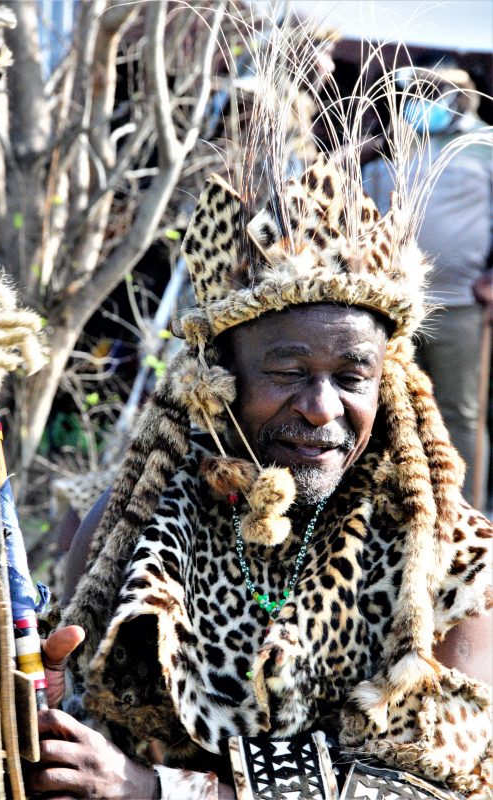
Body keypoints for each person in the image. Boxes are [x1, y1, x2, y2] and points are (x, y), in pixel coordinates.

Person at [26, 39, 492, 800]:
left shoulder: (450, 562)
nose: (320, 408)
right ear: (215, 379)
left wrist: (162, 791)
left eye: (351, 377)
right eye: (286, 373)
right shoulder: (127, 529)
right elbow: (84, 757)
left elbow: (431, 790)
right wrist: (46, 713)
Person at [363, 60, 493, 510]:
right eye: (415, 92)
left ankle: (466, 512)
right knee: (387, 407)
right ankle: (394, 510)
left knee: (460, 412)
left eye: (432, 93)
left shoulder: (485, 146)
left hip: (460, 306)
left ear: (460, 99)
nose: (421, 102)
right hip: (391, 308)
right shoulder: (392, 147)